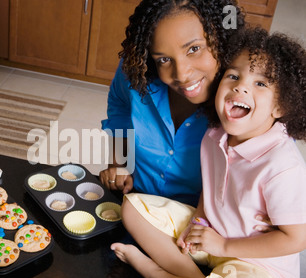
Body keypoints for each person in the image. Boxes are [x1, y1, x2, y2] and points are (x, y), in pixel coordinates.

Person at [111, 27, 306, 278]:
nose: (241, 86)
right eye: (234, 76)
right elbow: (211, 186)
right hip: (211, 237)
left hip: (257, 265)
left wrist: (225, 245)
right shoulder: (215, 135)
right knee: (131, 208)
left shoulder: (283, 165)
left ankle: (154, 273)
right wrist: (198, 219)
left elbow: (296, 239)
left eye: (261, 84)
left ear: (280, 106)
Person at [100, 0, 245, 207]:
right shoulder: (136, 72)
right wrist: (120, 165)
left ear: (221, 38)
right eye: (163, 60)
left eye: (194, 49)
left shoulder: (248, 100)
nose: (182, 74)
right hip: (134, 202)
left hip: (199, 224)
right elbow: (120, 108)